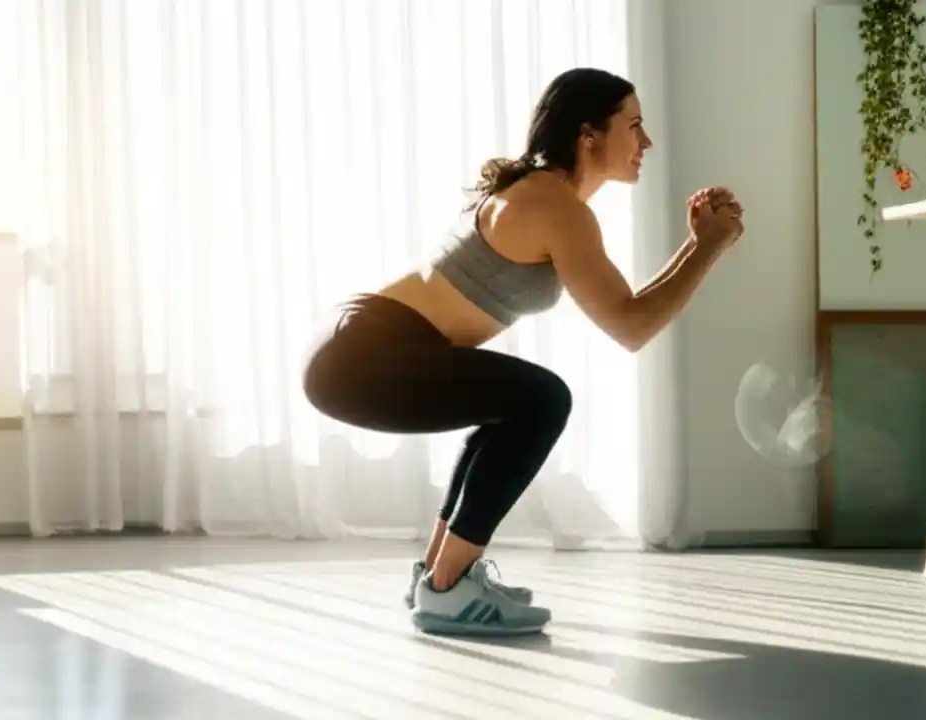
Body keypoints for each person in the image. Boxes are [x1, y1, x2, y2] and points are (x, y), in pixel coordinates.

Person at [301, 67, 743, 636]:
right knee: (542, 398)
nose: (646, 142)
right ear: (589, 135)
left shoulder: (546, 196)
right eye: (633, 125)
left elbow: (628, 311)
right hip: (363, 353)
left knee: (513, 403)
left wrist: (698, 246)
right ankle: (445, 588)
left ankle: (440, 577)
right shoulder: (555, 205)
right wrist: (706, 248)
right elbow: (632, 326)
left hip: (355, 346)